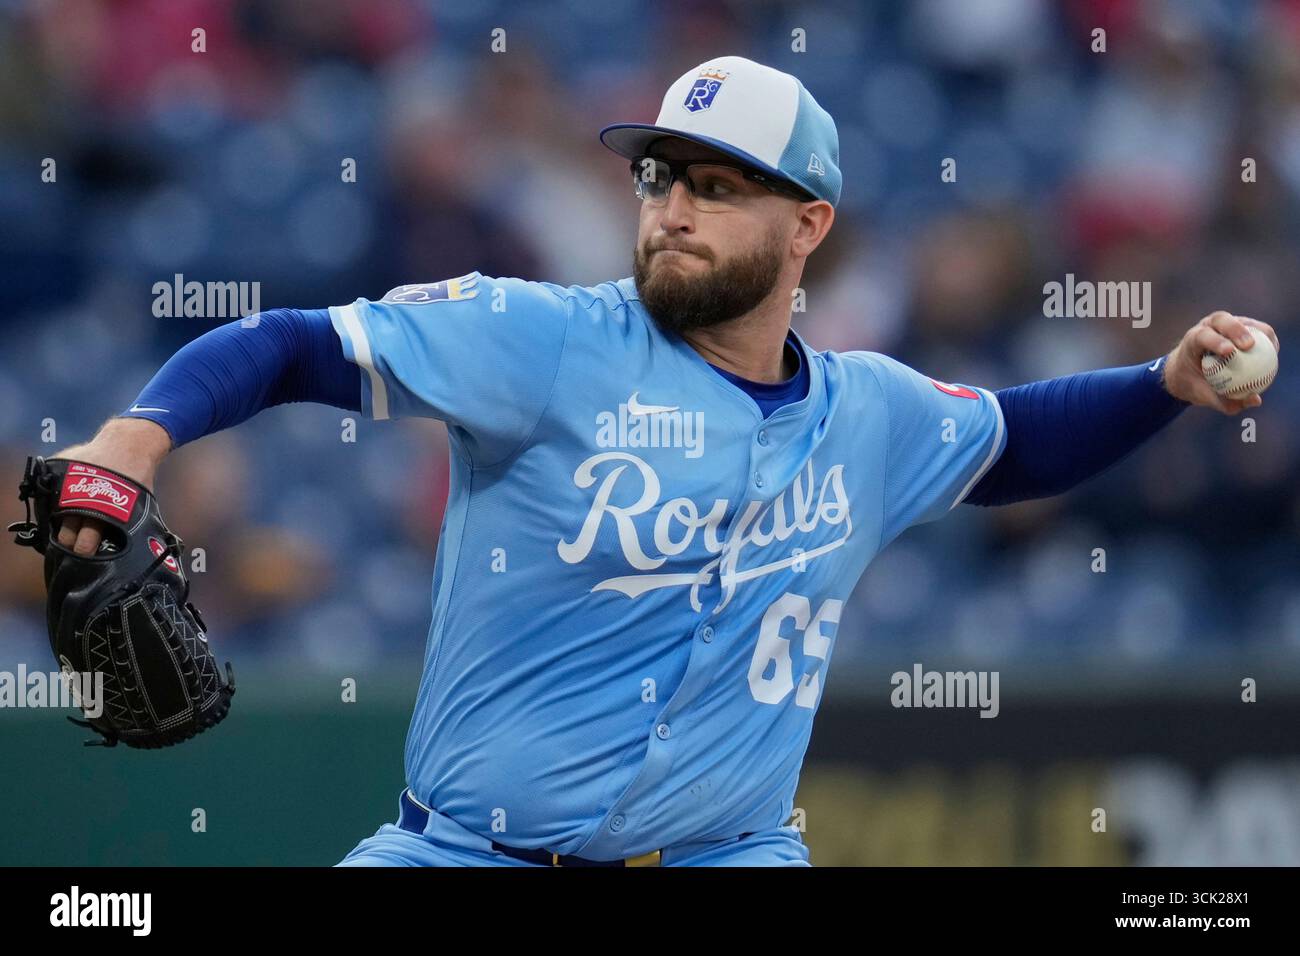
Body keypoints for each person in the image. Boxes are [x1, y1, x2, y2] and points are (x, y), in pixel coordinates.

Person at [48, 56, 1278, 866]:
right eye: (658, 178)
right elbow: (291, 344)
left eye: (715, 186)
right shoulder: (539, 337)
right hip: (465, 853)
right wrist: (131, 439)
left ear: (808, 228)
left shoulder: (868, 411)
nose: (671, 208)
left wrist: (1160, 384)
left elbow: (1014, 438)